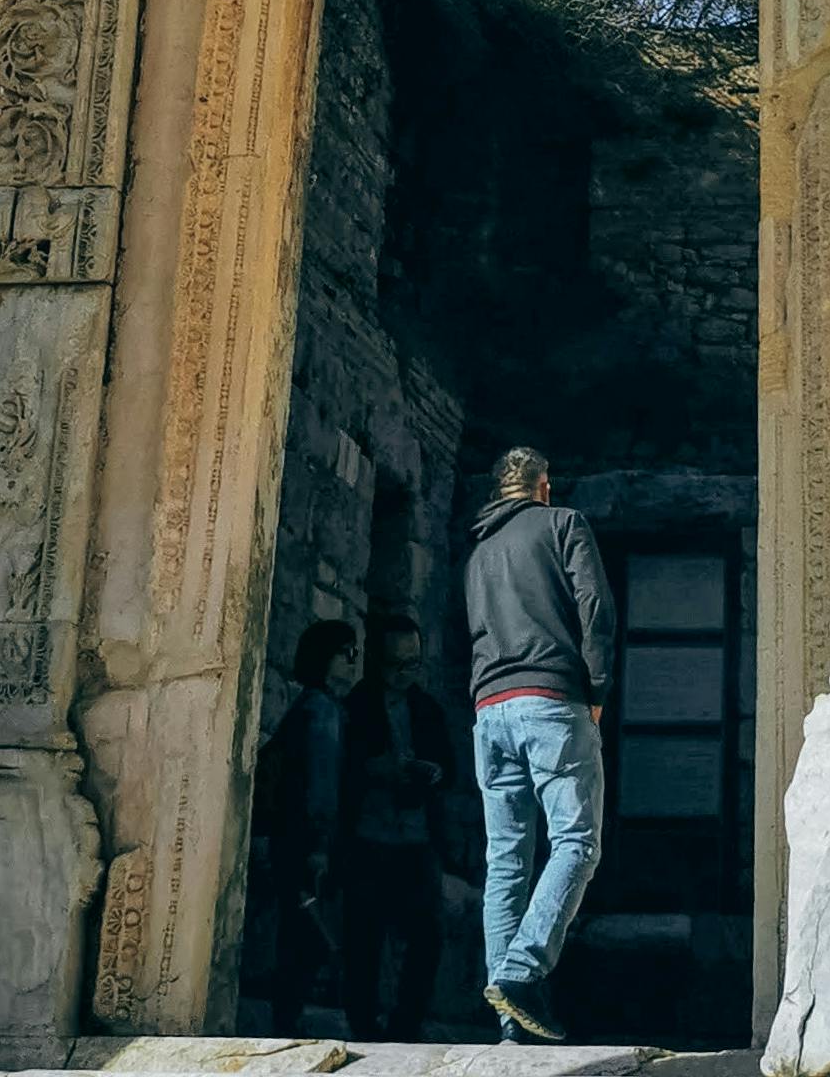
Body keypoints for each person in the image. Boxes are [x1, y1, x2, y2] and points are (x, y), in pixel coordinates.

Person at [464, 445, 614, 1044]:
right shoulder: (563, 524)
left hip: (489, 710)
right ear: (543, 485)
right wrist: (597, 688)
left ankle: (511, 1024)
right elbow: (594, 607)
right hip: (550, 700)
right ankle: (522, 975)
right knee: (577, 842)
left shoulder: (477, 553)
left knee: (505, 861)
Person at [340, 610, 457, 1037]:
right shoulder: (355, 704)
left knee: (428, 937)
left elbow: (450, 766)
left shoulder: (426, 708)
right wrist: (378, 769)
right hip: (368, 836)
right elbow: (342, 770)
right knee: (364, 940)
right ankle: (363, 1025)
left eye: (413, 663)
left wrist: (433, 773)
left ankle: (407, 1024)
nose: (405, 673)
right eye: (396, 664)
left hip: (416, 838)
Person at [242, 618, 358, 1030]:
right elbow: (321, 788)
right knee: (305, 940)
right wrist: (321, 847)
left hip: (290, 839)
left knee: (295, 936)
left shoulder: (307, 706)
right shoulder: (322, 711)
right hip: (306, 841)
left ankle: (286, 1020)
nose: (353, 662)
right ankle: (287, 1025)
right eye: (348, 653)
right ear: (329, 657)